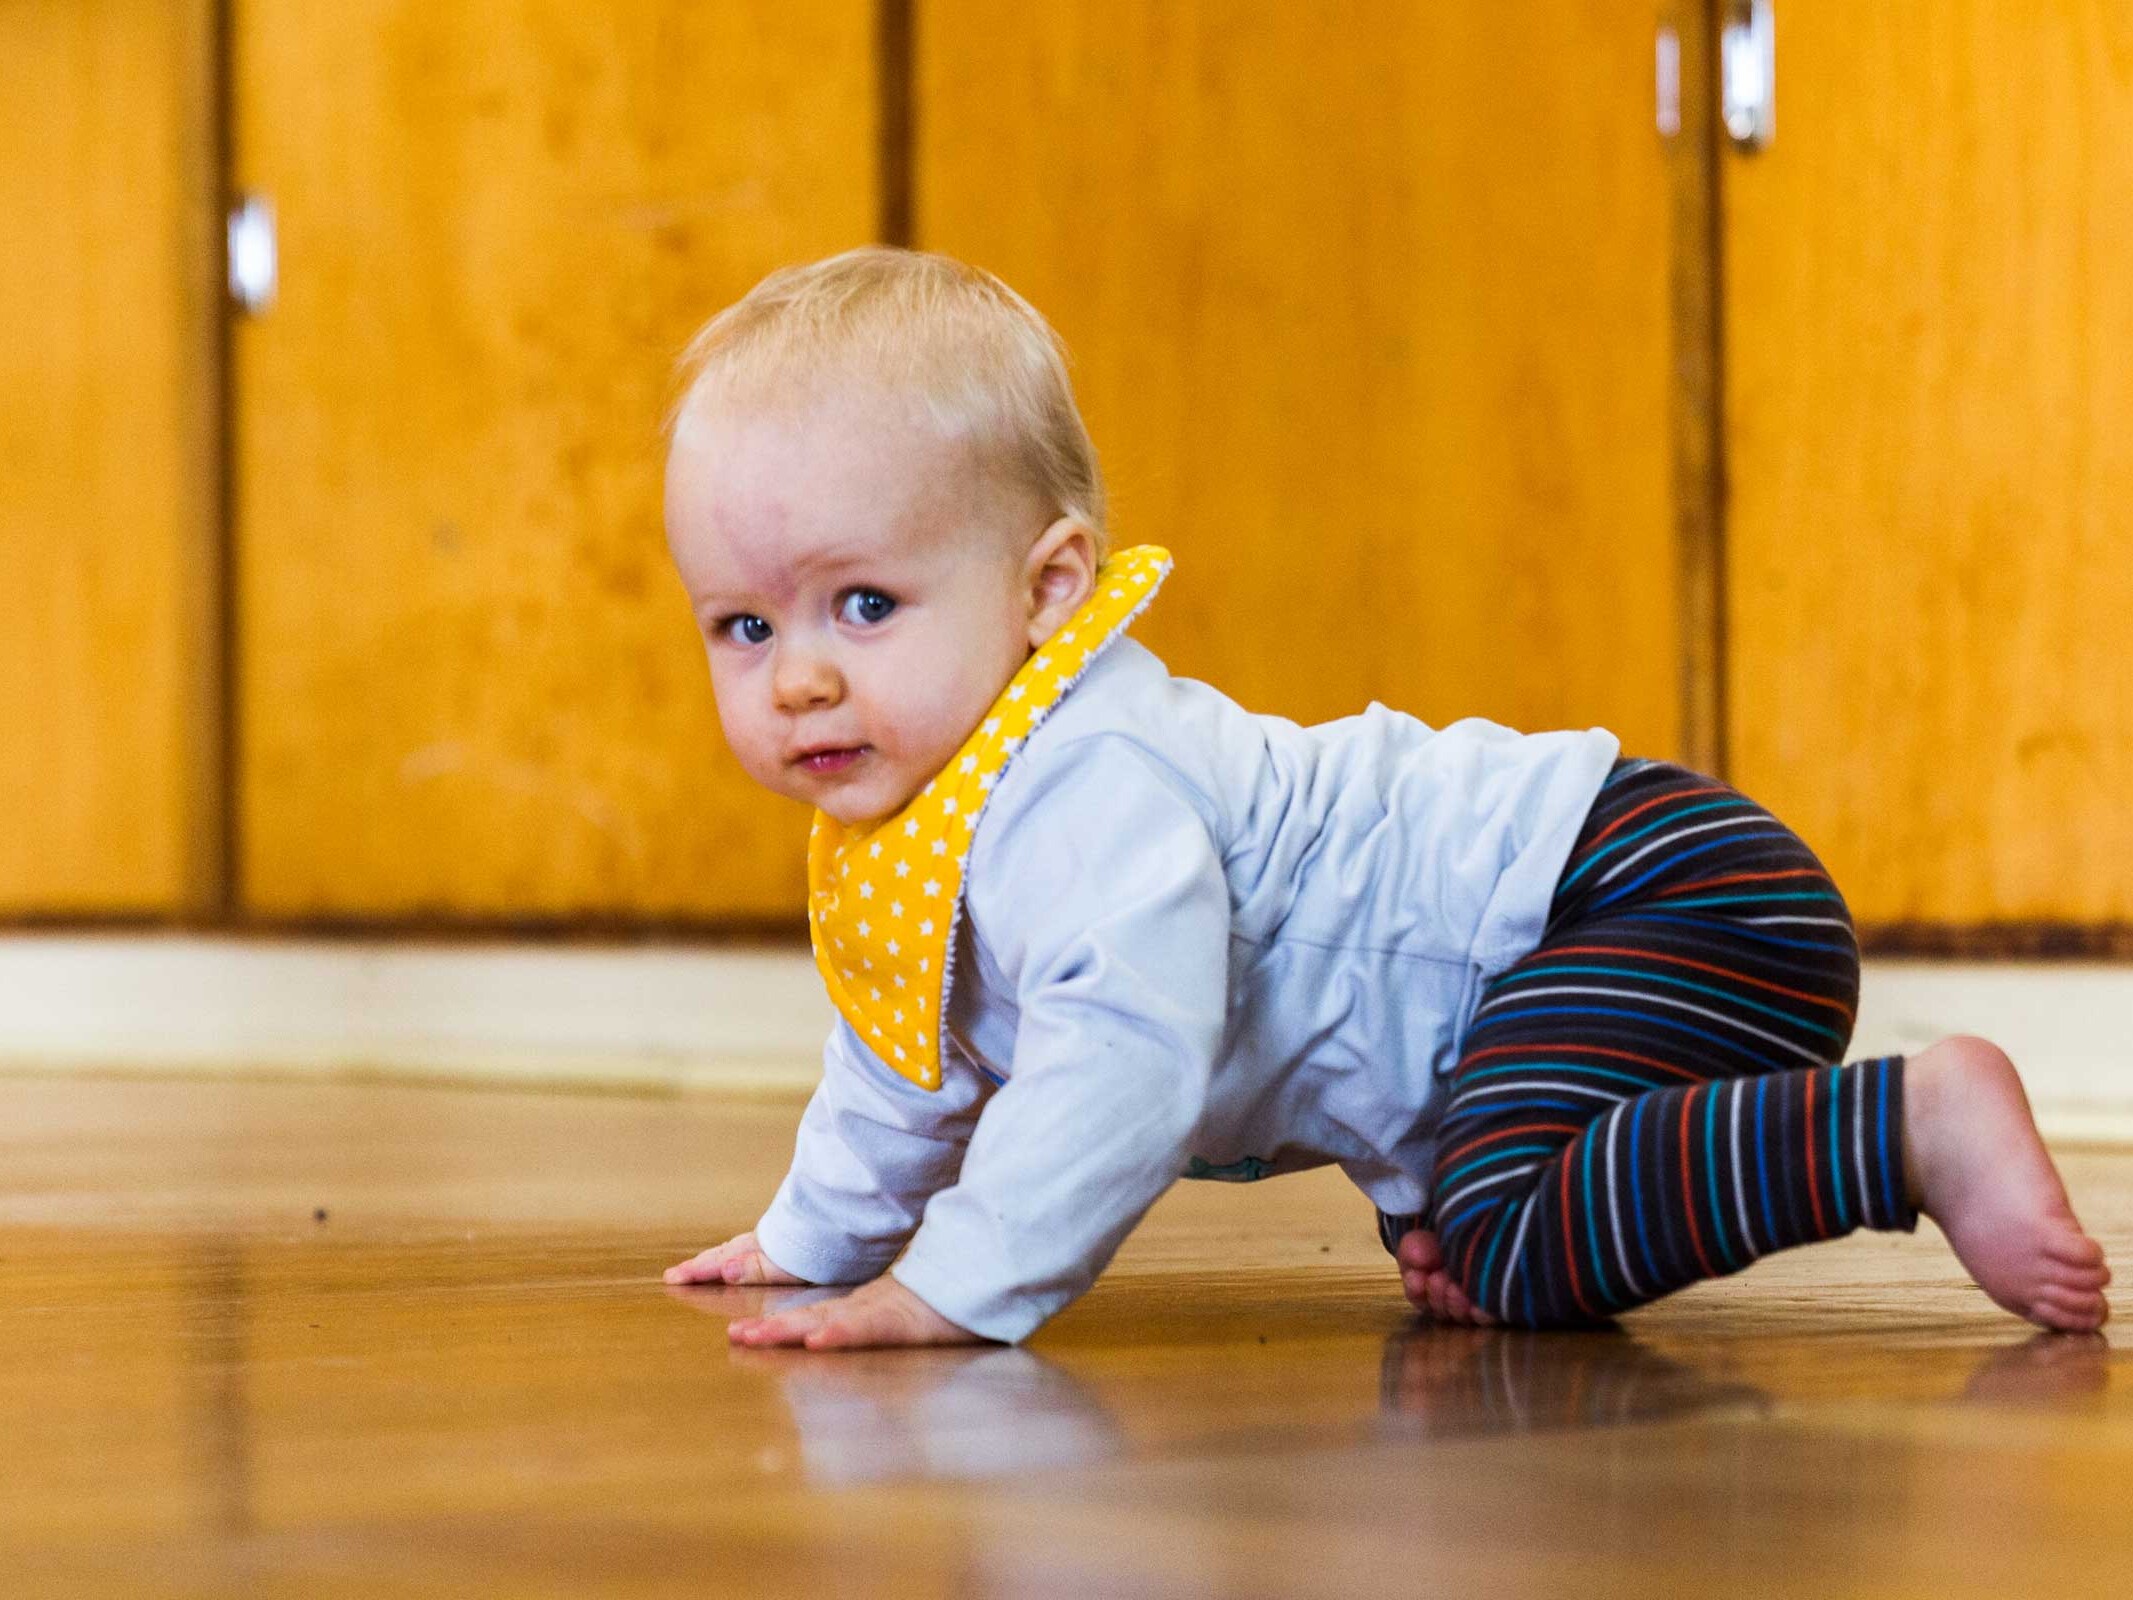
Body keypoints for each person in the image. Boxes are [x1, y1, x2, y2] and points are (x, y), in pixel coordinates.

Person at [659, 246, 2112, 1350]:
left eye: (865, 604)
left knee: (1509, 1226)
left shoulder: (1088, 787)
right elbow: (908, 1059)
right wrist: (809, 1242)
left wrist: (954, 1287)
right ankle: (1508, 1197)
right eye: (746, 626)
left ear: (1049, 589)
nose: (799, 679)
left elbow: (1122, 1069)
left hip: (1645, 890)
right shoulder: (924, 822)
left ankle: (1907, 1129)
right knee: (1491, 1251)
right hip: (1581, 928)